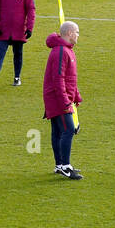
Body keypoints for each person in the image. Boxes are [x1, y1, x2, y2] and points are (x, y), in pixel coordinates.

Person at [43, 20, 83, 178]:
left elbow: (69, 78)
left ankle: (59, 165)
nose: (78, 36)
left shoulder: (66, 50)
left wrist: (76, 96)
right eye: (77, 32)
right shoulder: (61, 51)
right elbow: (58, 79)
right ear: (70, 33)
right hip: (58, 99)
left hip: (60, 97)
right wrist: (66, 101)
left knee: (58, 132)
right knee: (68, 130)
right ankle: (65, 166)